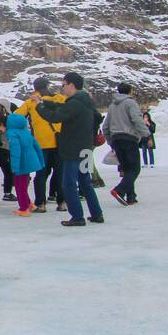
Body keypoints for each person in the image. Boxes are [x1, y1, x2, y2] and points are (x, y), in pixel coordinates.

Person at [35, 72, 105, 227]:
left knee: (69, 184)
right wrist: (45, 102)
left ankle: (77, 216)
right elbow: (63, 107)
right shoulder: (84, 101)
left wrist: (39, 106)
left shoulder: (75, 103)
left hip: (74, 150)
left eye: (64, 84)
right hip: (86, 149)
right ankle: (96, 214)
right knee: (85, 182)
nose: (62, 87)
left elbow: (55, 116)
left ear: (71, 85)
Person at [15, 77, 63, 213]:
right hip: (60, 141)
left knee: (41, 174)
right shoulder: (59, 99)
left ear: (35, 88)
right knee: (60, 173)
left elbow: (16, 117)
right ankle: (62, 202)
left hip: (41, 143)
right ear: (48, 85)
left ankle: (41, 203)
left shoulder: (31, 102)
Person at [102, 82, 149, 206]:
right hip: (129, 138)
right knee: (134, 168)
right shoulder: (130, 103)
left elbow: (105, 126)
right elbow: (137, 119)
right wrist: (146, 134)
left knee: (127, 168)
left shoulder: (112, 106)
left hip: (116, 139)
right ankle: (119, 190)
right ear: (130, 91)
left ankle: (131, 196)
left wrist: (110, 140)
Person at [6, 112, 44, 216]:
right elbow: (36, 146)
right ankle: (29, 204)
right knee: (22, 185)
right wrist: (41, 160)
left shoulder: (12, 133)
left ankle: (24, 209)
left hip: (22, 163)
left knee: (19, 186)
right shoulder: (25, 131)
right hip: (30, 161)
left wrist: (15, 167)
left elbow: (15, 151)